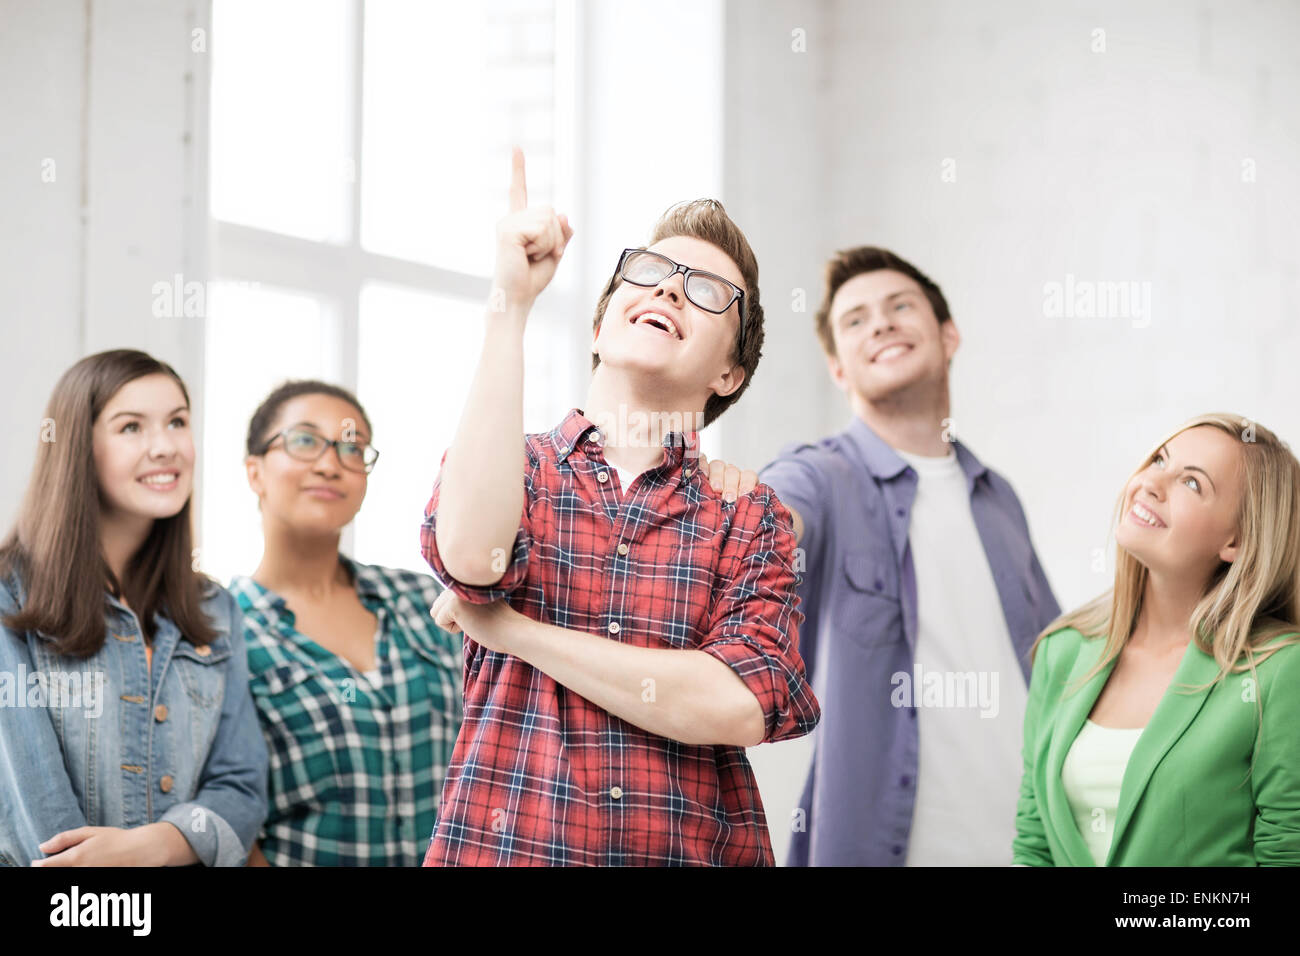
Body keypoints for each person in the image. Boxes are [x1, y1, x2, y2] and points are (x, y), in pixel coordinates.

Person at [421, 148, 820, 866]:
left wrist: (512, 632)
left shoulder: (749, 515)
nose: (668, 291)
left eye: (704, 291)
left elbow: (735, 702)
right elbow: (470, 561)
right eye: (651, 273)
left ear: (731, 371)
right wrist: (510, 302)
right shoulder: (519, 469)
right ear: (602, 327)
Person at [757, 247, 1060, 865]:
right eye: (856, 320)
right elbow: (770, 521)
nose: (882, 324)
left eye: (900, 307)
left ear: (949, 336)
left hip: (1031, 845)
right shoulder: (819, 475)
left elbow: (1061, 663)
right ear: (838, 370)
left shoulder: (998, 497)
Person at [0, 349, 267, 867]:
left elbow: (242, 787)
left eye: (177, 422)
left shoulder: (216, 608)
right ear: (79, 446)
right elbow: (37, 815)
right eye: (131, 428)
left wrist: (158, 844)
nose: (165, 447)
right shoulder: (9, 595)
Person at [1014, 414, 1300, 865]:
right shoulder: (1062, 650)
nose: (1150, 483)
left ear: (1237, 541)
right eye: (1159, 460)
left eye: (1191, 483)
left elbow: (1287, 856)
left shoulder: (1279, 671)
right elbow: (1033, 845)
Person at [231, 381, 463, 866]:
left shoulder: (424, 599)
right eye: (304, 440)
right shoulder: (222, 632)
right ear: (254, 471)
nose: (330, 462)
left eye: (352, 447)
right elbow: (229, 818)